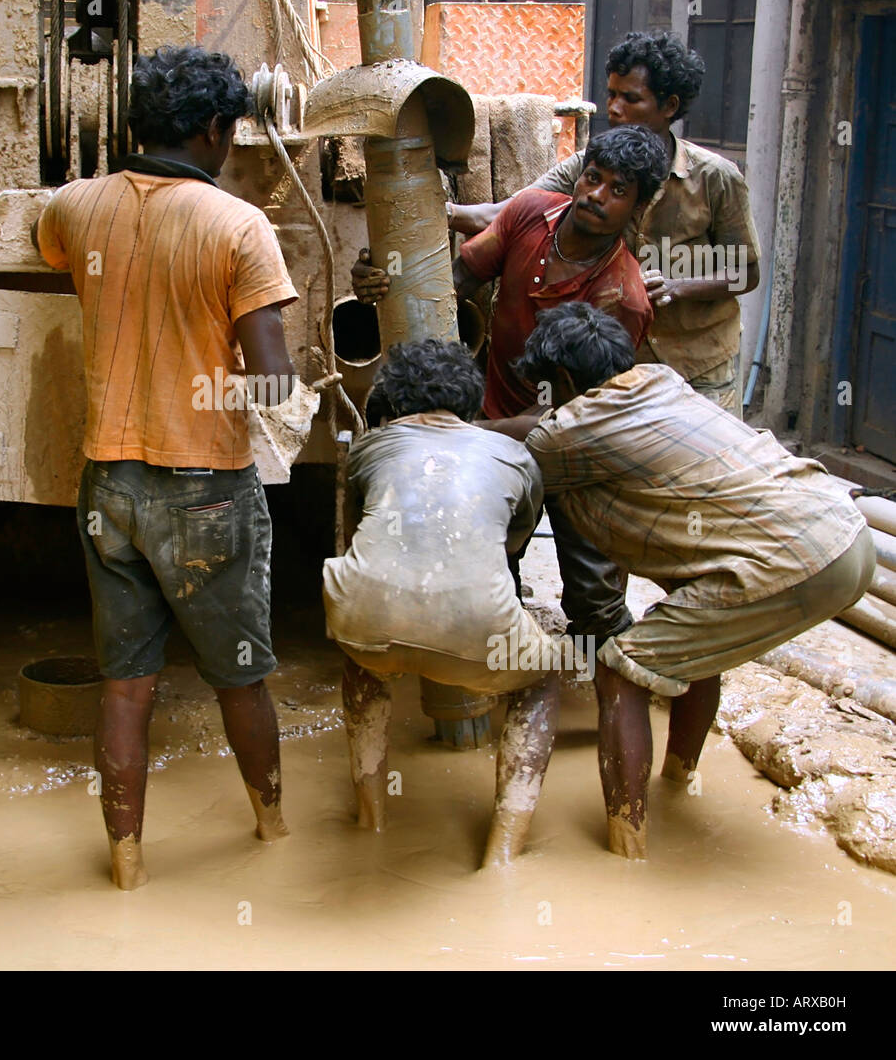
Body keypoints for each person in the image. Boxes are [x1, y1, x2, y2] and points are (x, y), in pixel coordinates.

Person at [35, 44, 298, 890]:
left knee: (125, 685)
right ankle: (273, 825)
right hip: (205, 486)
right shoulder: (238, 225)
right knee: (240, 677)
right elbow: (271, 380)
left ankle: (127, 861)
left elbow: (51, 256)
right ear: (216, 129)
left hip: (107, 483)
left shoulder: (74, 207)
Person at [494, 303, 875, 860]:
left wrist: (462, 427)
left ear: (567, 381)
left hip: (796, 561)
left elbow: (525, 443)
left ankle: (628, 846)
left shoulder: (568, 435)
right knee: (696, 650)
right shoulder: (662, 381)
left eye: (547, 387)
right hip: (847, 535)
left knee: (617, 669)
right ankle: (679, 779)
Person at [356, 123, 667, 655]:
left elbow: (565, 415)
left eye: (619, 191)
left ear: (637, 209)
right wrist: (383, 282)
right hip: (496, 416)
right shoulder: (530, 213)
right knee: (487, 565)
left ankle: (609, 696)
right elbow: (448, 288)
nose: (597, 196)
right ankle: (493, 683)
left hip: (577, 451)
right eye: (594, 177)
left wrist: (470, 434)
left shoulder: (624, 296)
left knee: (593, 596)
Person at [324, 338, 563, 868]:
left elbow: (354, 537)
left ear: (392, 399)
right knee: (541, 678)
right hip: (479, 624)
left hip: (367, 619)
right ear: (473, 402)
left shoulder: (369, 448)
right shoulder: (512, 454)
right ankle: (503, 849)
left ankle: (371, 816)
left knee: (363, 660)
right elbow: (511, 545)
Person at [447, 31, 761, 415]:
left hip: (699, 361)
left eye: (630, 98)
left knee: (708, 463)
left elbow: (747, 272)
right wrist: (442, 211)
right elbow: (511, 210)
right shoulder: (590, 166)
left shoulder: (715, 178)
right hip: (629, 361)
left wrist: (679, 287)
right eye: (611, 94)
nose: (613, 108)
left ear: (669, 105)